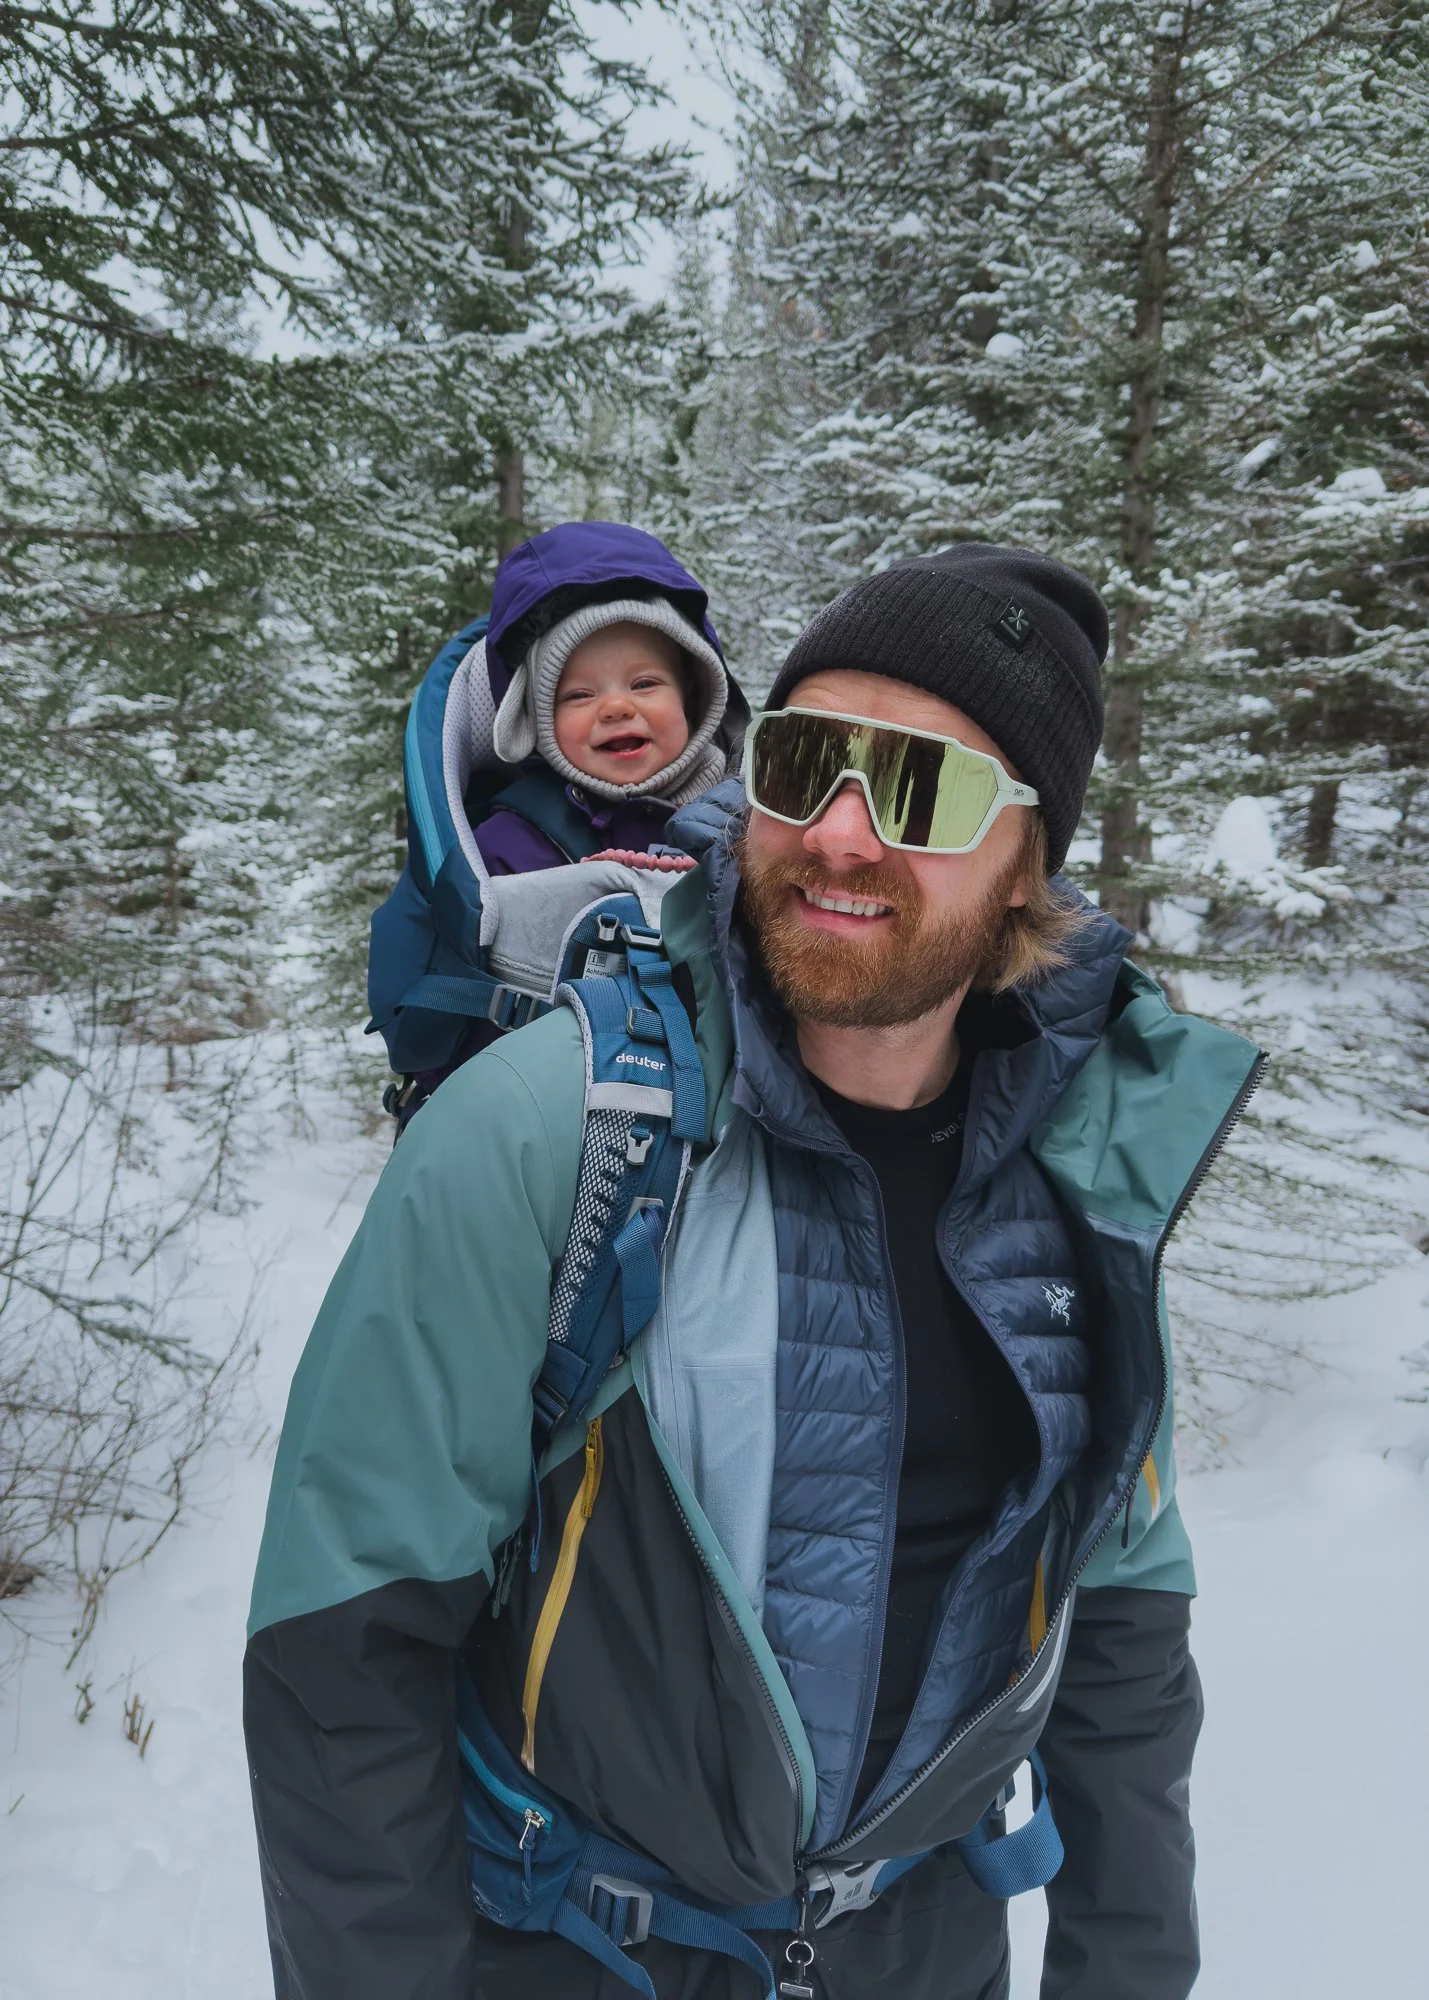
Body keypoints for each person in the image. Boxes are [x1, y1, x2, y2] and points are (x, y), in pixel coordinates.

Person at [245, 543, 1262, 2000]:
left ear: (1029, 858)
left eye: (917, 788)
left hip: (924, 1947)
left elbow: (1118, 1635)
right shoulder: (551, 1129)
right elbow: (346, 1645)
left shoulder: (1085, 1172)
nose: (839, 832)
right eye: (801, 762)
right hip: (577, 1947)